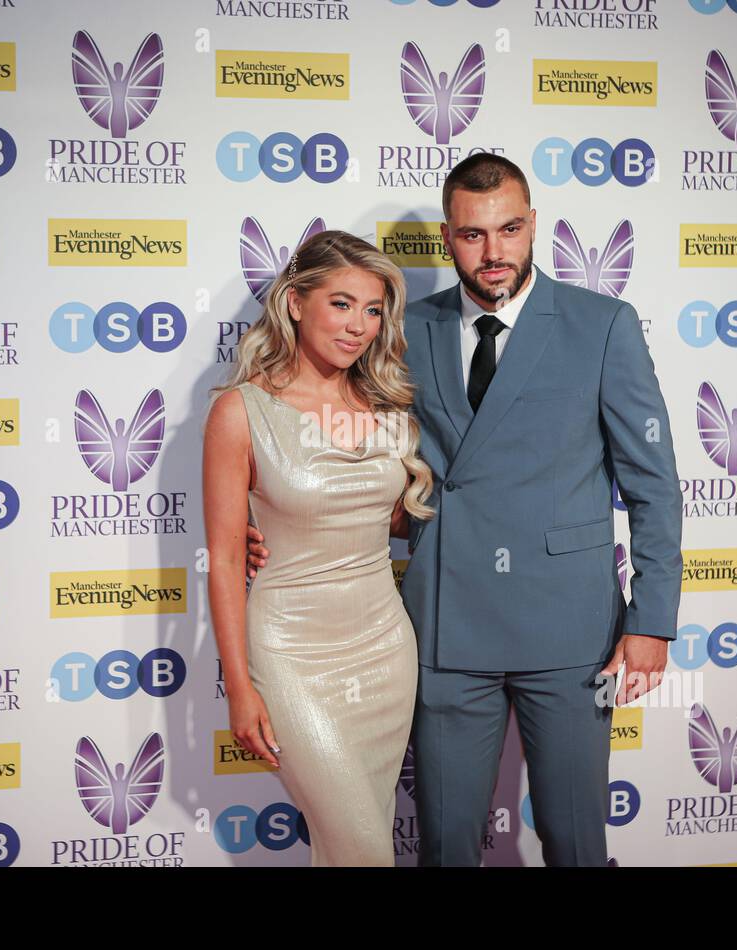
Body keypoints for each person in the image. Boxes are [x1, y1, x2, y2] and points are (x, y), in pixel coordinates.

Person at [248, 153, 683, 866]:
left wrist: (653, 620)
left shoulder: (602, 324)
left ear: (533, 225)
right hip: (446, 625)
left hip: (570, 628)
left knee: (576, 842)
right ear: (449, 238)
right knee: (447, 845)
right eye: (473, 235)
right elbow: (333, 435)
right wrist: (274, 521)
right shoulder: (402, 330)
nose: (493, 251)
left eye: (509, 229)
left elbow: (653, 485)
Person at [203, 230, 436, 866]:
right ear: (295, 302)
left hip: (385, 649)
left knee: (355, 840)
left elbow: (391, 521)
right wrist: (239, 686)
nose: (359, 325)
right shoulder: (240, 412)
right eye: (341, 303)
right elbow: (224, 560)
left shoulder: (388, 406)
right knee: (360, 842)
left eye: (373, 310)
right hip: (290, 652)